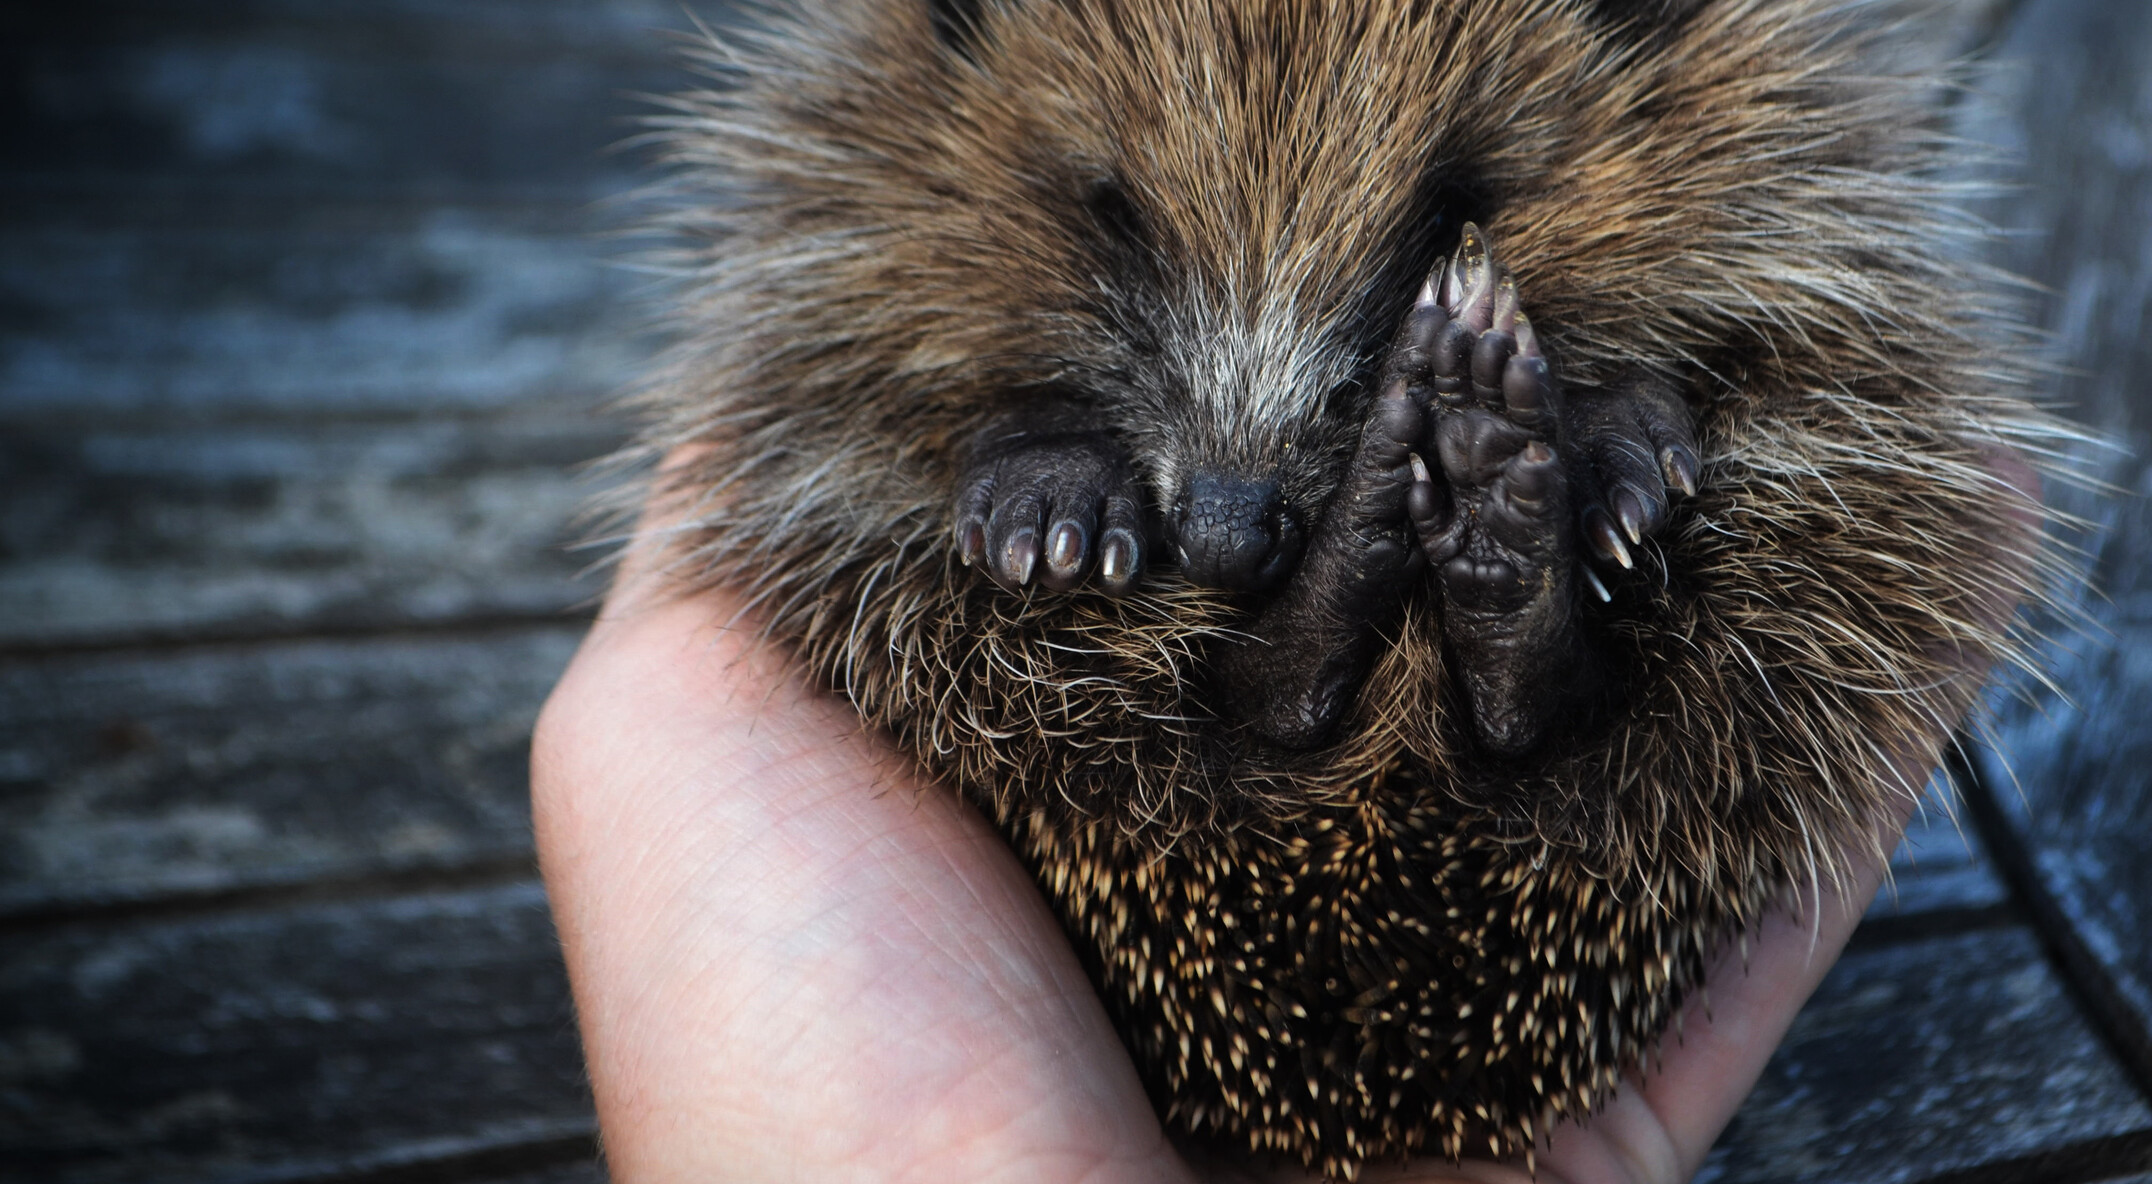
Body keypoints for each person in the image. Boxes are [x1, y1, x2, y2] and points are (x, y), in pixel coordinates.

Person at [533, 478, 2012, 1183]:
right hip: (1346, 825)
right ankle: (1510, 674)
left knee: (1724, 551)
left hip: (1228, 810)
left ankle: (1371, 656)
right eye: (1126, 226)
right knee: (1005, 623)